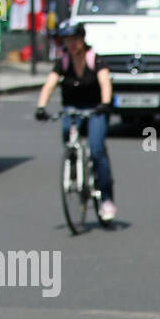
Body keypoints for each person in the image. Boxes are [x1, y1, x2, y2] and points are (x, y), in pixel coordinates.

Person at [35, 21, 117, 222]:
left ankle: (106, 198)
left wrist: (105, 103)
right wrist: (41, 107)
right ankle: (73, 168)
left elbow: (105, 82)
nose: (72, 44)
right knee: (68, 136)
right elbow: (49, 85)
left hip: (95, 109)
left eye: (75, 40)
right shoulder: (62, 62)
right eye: (68, 40)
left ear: (82, 40)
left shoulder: (94, 60)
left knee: (97, 149)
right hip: (72, 110)